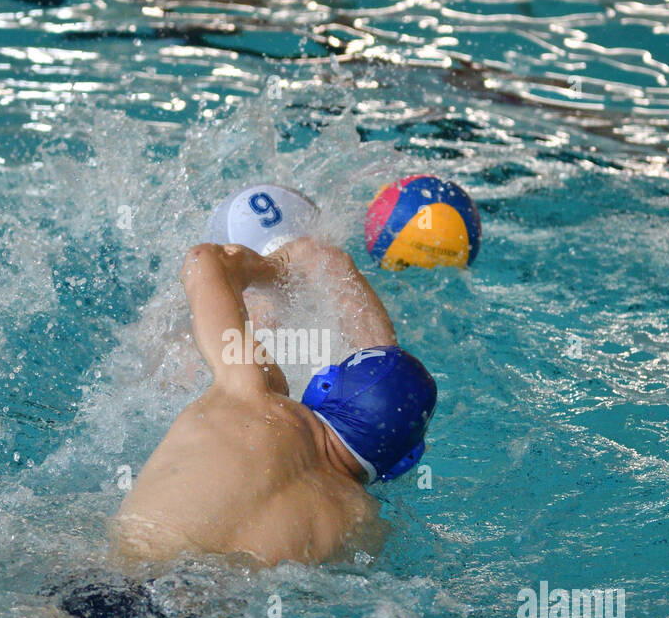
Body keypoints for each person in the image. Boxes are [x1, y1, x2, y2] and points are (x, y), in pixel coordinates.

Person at [109, 237, 437, 567]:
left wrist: (272, 267)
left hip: (102, 587)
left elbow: (202, 261)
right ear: (403, 463)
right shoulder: (366, 527)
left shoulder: (249, 394)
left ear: (323, 386)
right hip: (204, 613)